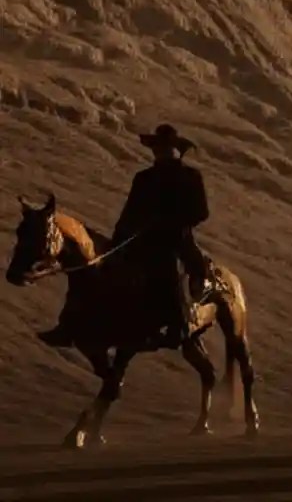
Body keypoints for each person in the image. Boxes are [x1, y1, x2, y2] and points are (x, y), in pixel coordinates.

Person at [39, 124, 211, 350]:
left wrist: (169, 222)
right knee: (94, 273)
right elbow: (130, 211)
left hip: (174, 240)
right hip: (139, 240)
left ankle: (178, 326)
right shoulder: (144, 178)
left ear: (176, 150)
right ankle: (68, 325)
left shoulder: (190, 177)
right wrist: (118, 239)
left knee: (168, 269)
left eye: (164, 147)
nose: (160, 151)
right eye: (158, 147)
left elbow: (200, 212)